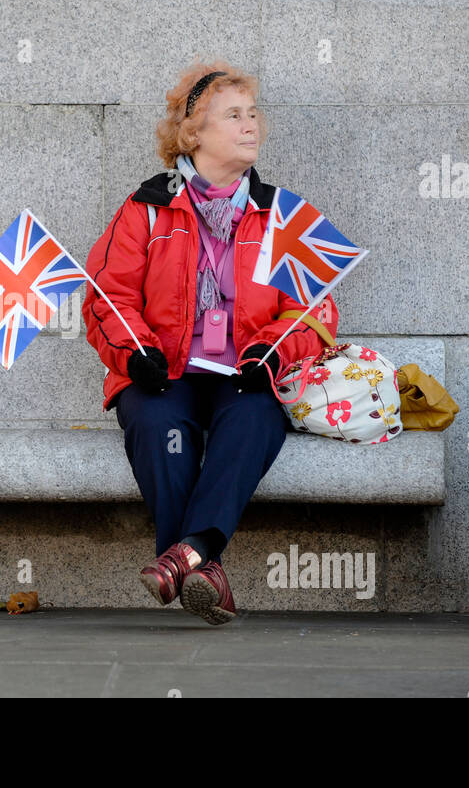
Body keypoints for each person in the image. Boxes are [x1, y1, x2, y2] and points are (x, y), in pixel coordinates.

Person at [80, 59, 339, 625]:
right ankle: (204, 564)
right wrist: (135, 352)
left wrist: (269, 352)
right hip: (163, 371)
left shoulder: (280, 214)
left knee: (253, 420)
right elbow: (106, 296)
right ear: (193, 133)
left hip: (245, 374)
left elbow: (316, 310)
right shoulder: (146, 207)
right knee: (157, 424)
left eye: (253, 114)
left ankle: (181, 559)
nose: (251, 125)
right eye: (233, 115)